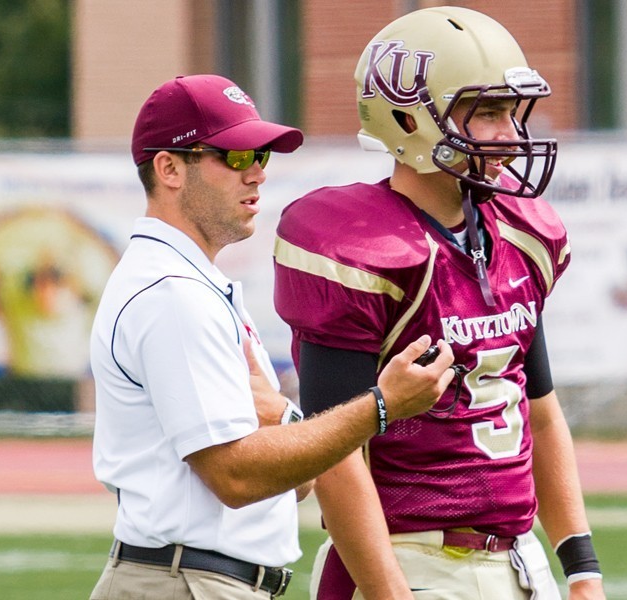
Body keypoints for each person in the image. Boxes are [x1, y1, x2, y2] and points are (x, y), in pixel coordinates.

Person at [273, 7, 605, 600]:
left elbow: (541, 411)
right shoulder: (357, 247)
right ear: (409, 117)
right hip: (409, 560)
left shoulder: (520, 236)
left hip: (519, 562)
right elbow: (335, 454)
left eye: (510, 111)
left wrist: (580, 569)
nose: (509, 133)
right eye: (486, 112)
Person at [89, 73, 455, 600]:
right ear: (169, 168)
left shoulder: (190, 283)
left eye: (262, 155)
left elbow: (297, 480)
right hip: (184, 581)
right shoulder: (172, 293)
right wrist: (382, 405)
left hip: (198, 578)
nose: (257, 174)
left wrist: (285, 420)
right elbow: (237, 478)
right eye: (236, 157)